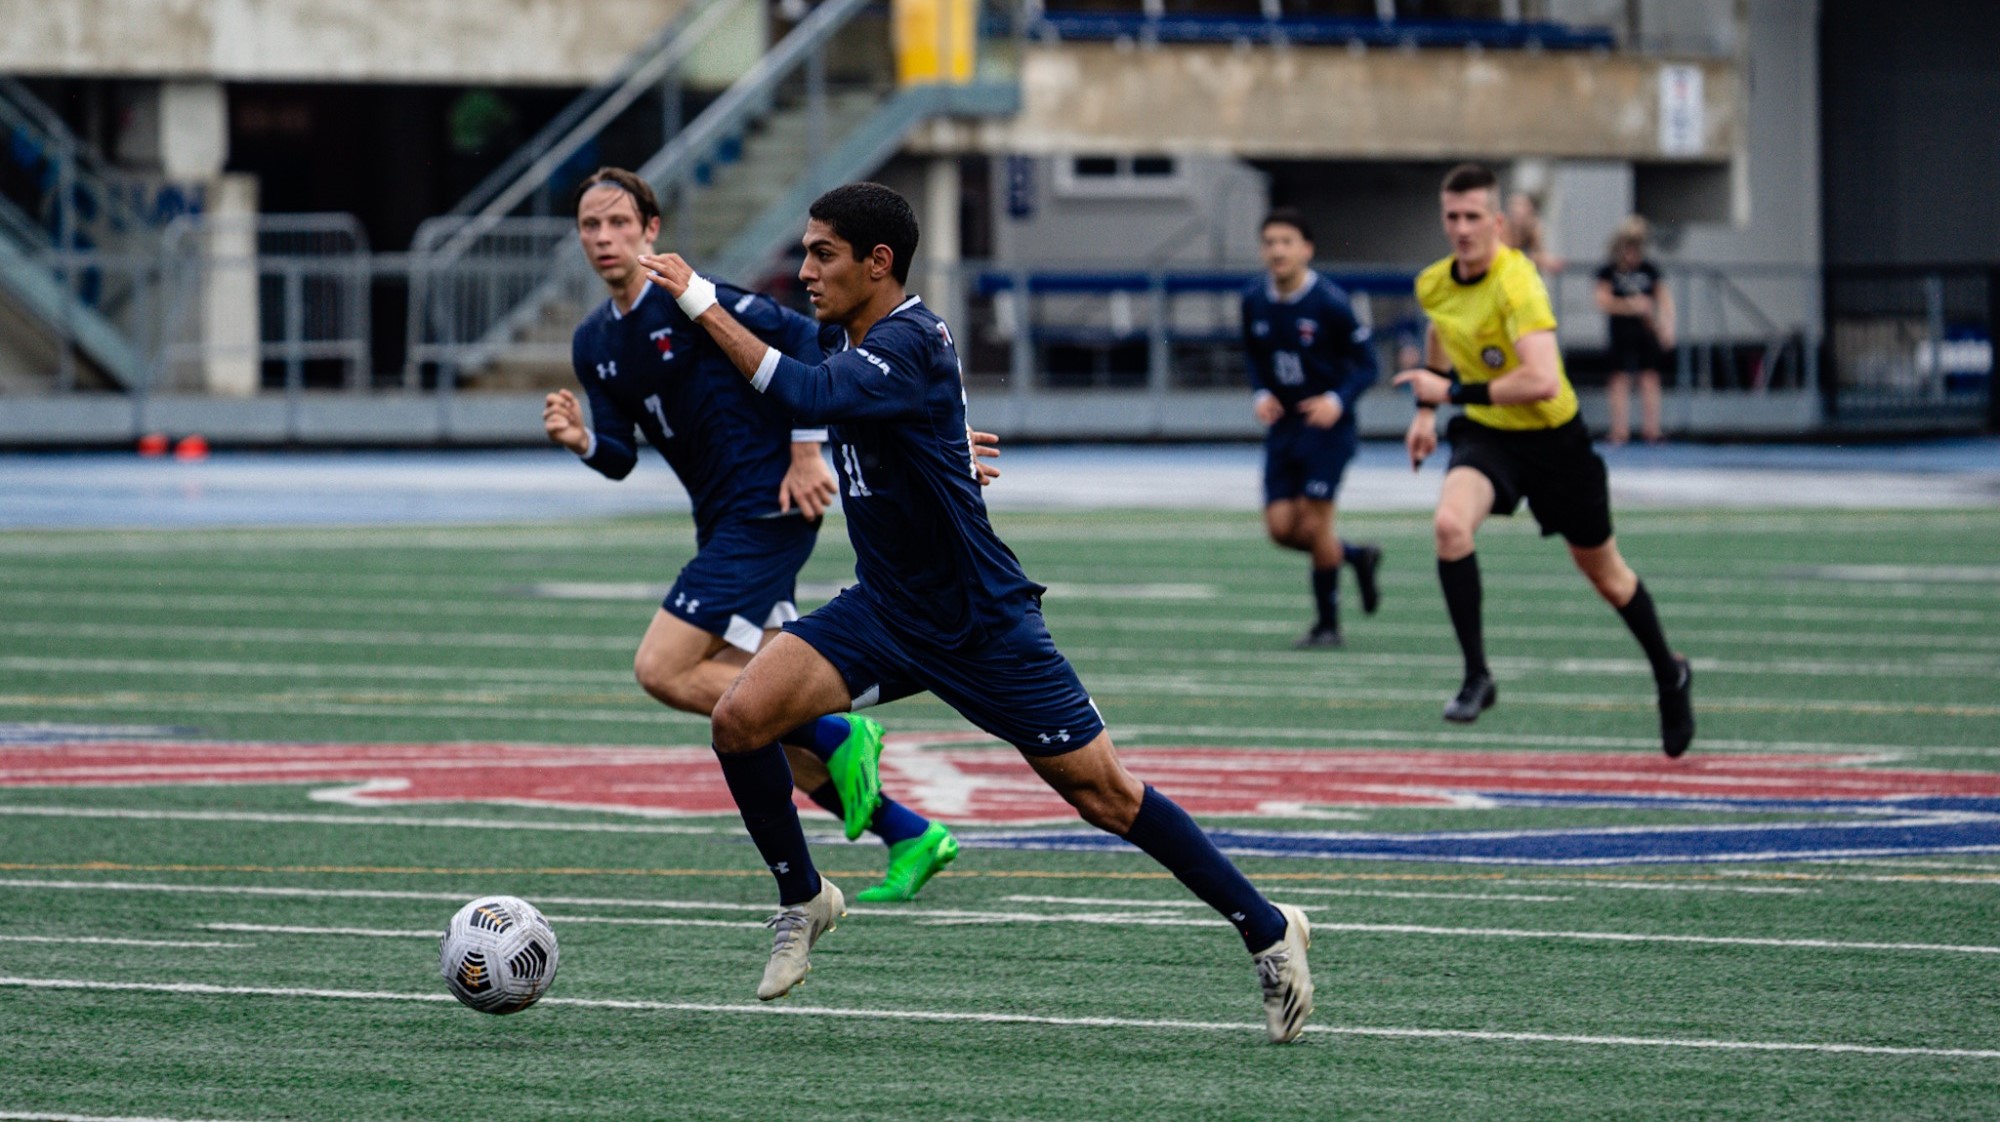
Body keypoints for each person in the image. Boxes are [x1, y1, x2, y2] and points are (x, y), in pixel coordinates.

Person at [639, 182, 1315, 1043]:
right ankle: (805, 897)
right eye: (804, 252)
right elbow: (862, 401)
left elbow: (804, 396)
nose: (805, 270)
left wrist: (693, 294)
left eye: (822, 254)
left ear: (878, 263)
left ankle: (1267, 929)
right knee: (740, 718)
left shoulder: (909, 336)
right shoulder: (853, 334)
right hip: (885, 608)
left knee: (1102, 793)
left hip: (979, 620)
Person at [543, 167, 968, 903]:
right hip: (722, 524)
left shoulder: (692, 299)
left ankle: (840, 737)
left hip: (768, 508)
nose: (604, 238)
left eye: (619, 223)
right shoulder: (594, 344)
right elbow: (618, 459)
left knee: (664, 668)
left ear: (651, 230)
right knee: (763, 713)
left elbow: (812, 340)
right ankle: (910, 833)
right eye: (590, 226)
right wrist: (582, 440)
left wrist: (807, 447)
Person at [1392, 163, 1694, 758]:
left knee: (1606, 575)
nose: (1461, 228)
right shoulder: (1435, 282)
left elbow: (1539, 380)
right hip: (1488, 435)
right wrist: (1426, 414)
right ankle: (1478, 675)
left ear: (1498, 222)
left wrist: (1448, 395)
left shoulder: (1518, 281)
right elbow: (1441, 341)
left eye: (1473, 216)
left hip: (1556, 442)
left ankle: (1669, 672)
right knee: (1450, 525)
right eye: (1451, 217)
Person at [1241, 208, 1383, 648]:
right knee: (1281, 529)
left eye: (1286, 241)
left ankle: (1328, 625)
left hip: (1326, 430)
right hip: (1284, 427)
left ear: (1306, 249)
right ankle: (1356, 556)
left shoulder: (1331, 302)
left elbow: (1367, 365)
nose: (1277, 250)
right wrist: (1260, 392)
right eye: (1270, 241)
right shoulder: (1253, 300)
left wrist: (1336, 400)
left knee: (1316, 523)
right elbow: (1253, 355)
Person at [1594, 216, 1674, 445]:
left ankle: (1652, 429)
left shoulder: (1648, 269)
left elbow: (1663, 298)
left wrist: (1667, 325)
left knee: (1649, 377)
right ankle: (1619, 431)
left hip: (1645, 332)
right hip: (1621, 331)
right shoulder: (1609, 270)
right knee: (1619, 379)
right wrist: (1630, 305)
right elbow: (1602, 300)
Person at [1503, 191, 1565, 276]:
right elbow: (1508, 256)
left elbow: (1540, 251)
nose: (1516, 209)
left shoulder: (1534, 227)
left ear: (1531, 208)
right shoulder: (1504, 227)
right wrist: (1541, 259)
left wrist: (1548, 260)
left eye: (1521, 205)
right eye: (1513, 204)